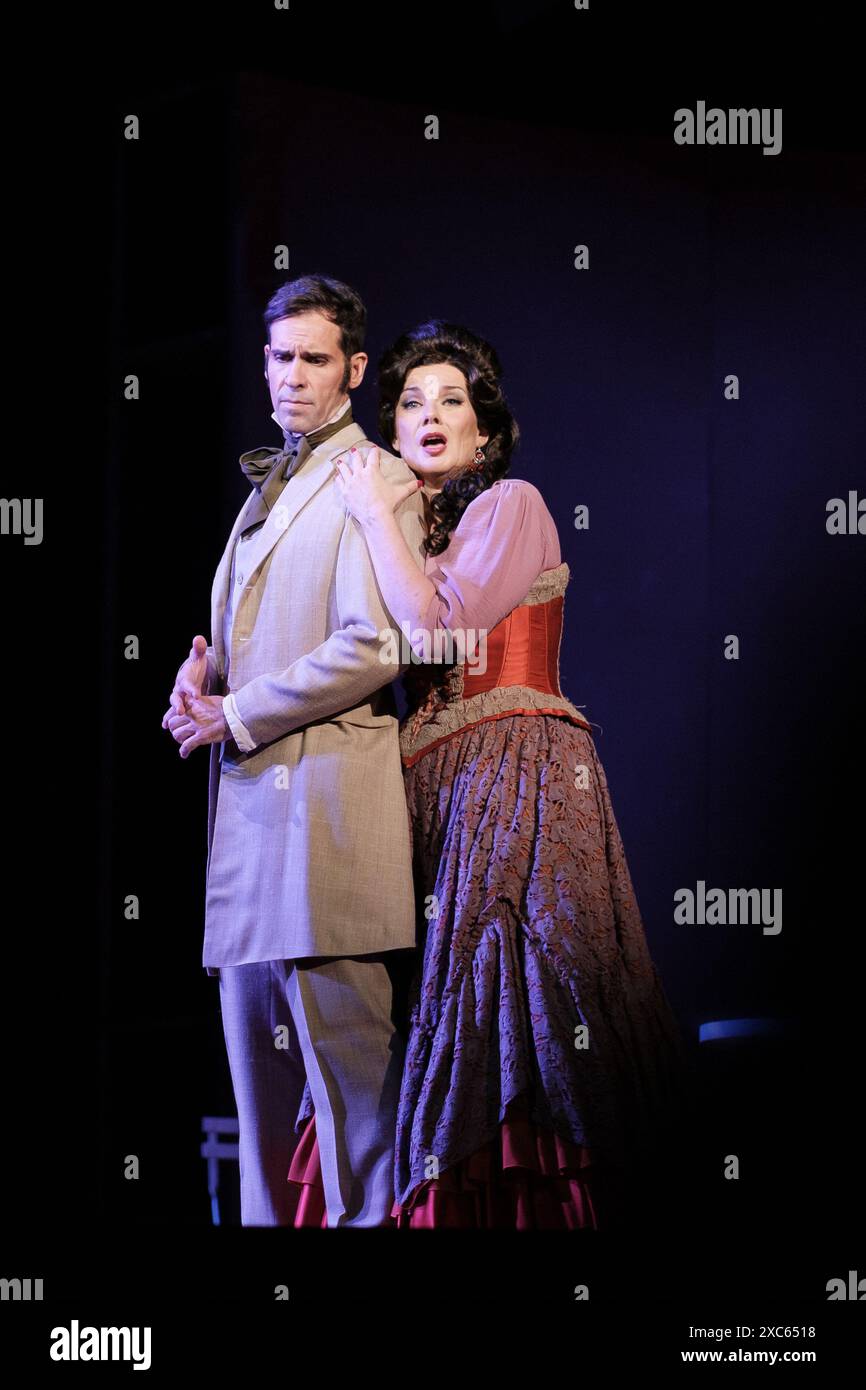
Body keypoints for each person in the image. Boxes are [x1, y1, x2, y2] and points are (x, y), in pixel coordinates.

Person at [285, 320, 696, 1229]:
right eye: (410, 403)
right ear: (389, 431)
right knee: (406, 1021)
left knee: (514, 995)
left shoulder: (511, 503)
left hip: (515, 774)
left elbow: (439, 634)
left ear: (485, 428)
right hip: (418, 794)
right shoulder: (397, 529)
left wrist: (363, 514)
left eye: (452, 401)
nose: (430, 416)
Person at [161, 275, 427, 1227]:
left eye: (315, 359)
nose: (292, 377)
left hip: (323, 831)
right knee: (262, 1148)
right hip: (248, 839)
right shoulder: (268, 486)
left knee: (356, 1134)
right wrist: (202, 683)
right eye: (280, 357)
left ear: (354, 370)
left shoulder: (375, 477)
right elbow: (247, 647)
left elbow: (375, 643)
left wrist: (234, 716)